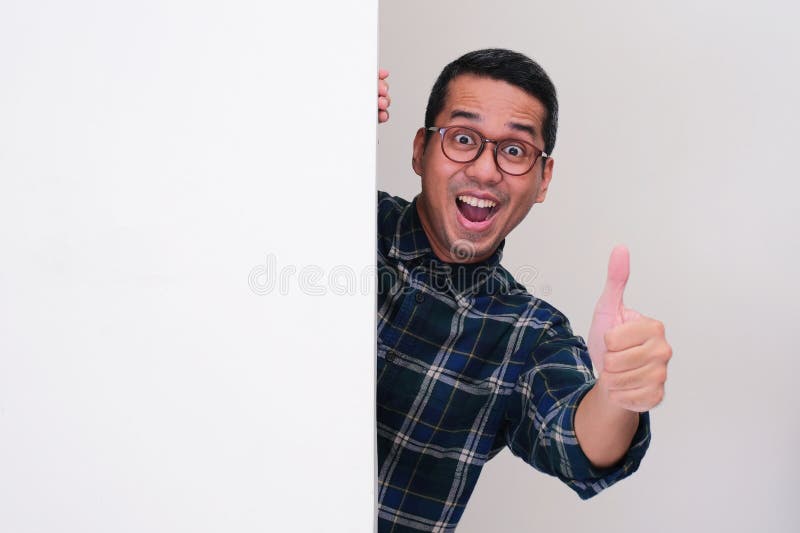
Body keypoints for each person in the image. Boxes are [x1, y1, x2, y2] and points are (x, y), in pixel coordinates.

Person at [375, 49, 672, 532]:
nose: (487, 171)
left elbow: (578, 442)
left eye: (514, 151)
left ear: (542, 180)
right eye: (463, 138)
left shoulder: (529, 333)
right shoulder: (342, 221)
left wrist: (620, 391)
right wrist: (311, 120)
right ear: (419, 151)